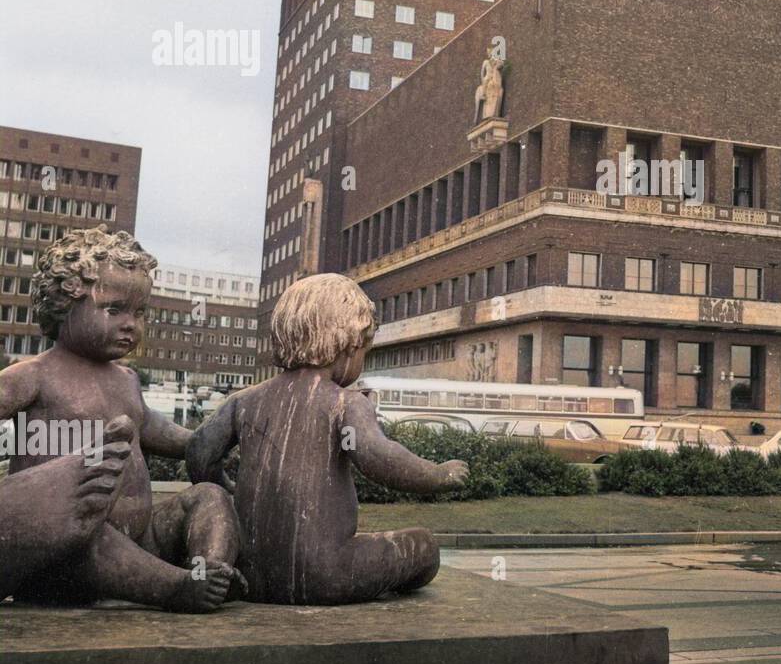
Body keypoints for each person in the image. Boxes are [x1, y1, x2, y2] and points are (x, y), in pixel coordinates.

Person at [187, 273, 468, 605]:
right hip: (326, 573)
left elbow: (200, 453)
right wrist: (438, 474)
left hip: (253, 574)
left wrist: (225, 487)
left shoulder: (243, 401)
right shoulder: (345, 402)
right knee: (423, 546)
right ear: (348, 343)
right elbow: (378, 457)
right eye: (365, 350)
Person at [0, 228, 241, 612]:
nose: (131, 324)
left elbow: (153, 429)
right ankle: (175, 587)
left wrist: (204, 439)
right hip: (66, 550)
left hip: (140, 543)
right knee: (92, 538)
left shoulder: (126, 379)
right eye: (114, 310)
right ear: (63, 304)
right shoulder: (33, 375)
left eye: (140, 312)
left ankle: (210, 571)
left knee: (209, 498)